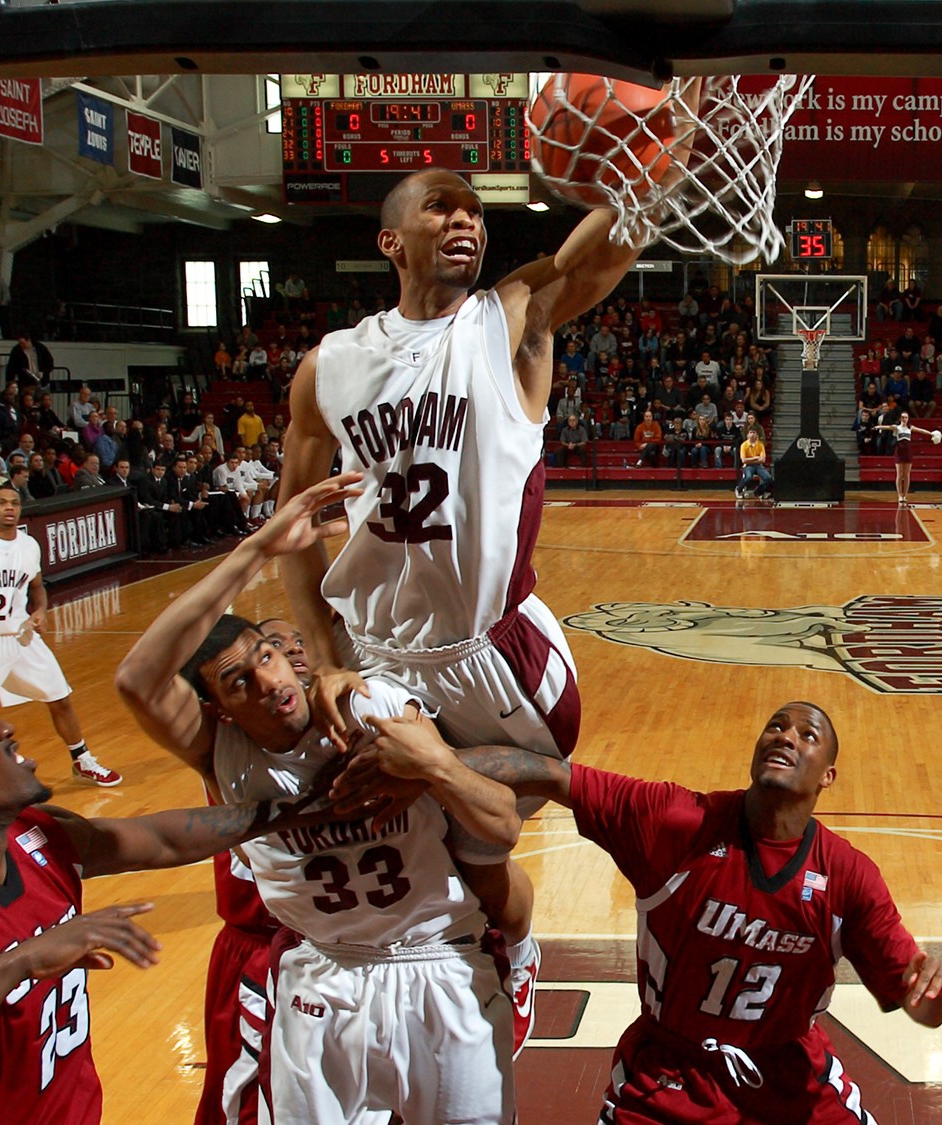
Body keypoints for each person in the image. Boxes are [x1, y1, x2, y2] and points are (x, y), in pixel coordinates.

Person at [276, 168, 657, 1040]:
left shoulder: (506, 319)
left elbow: (595, 255)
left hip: (494, 659)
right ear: (391, 241)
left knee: (482, 850)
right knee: (391, 840)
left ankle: (516, 943)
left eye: (477, 211)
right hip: (375, 654)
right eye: (442, 206)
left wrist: (656, 166)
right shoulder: (328, 367)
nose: (466, 220)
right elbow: (293, 524)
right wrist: (326, 658)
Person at [115, 477, 526, 1125]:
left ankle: (522, 960)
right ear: (218, 711)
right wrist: (256, 549)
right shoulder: (221, 751)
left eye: (268, 655)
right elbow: (136, 679)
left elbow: (502, 826)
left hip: (437, 956)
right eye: (239, 681)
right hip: (322, 972)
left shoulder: (370, 705)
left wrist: (433, 768)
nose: (268, 678)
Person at [350, 702, 942, 1124]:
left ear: (828, 774)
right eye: (776, 727)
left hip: (788, 1076)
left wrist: (933, 997)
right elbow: (549, 774)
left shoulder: (848, 875)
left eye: (807, 735)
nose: (785, 737)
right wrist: (435, 767)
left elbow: (919, 1002)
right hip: (672, 1074)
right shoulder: (678, 824)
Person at [0, 679, 344, 1125]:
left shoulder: (37, 836)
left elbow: (162, 839)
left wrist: (304, 808)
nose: (5, 728)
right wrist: (16, 964)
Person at [0, 484, 123, 787]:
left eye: (14, 503)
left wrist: (41, 610)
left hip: (22, 637)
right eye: (2, 503)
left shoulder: (29, 545)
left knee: (60, 697)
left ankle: (82, 761)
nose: (9, 508)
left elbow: (38, 587)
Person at [872, 411, 938, 504]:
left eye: (906, 417)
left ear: (908, 419)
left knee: (906, 475)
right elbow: (888, 427)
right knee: (899, 475)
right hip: (899, 451)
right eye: (902, 417)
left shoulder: (910, 427)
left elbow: (921, 430)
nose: (904, 419)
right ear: (900, 418)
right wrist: (878, 427)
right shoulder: (897, 427)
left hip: (908, 452)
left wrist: (931, 434)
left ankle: (905, 495)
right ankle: (899, 495)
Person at [736, 426, 772, 499]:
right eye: (751, 432)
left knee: (768, 478)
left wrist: (750, 459)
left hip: (758, 465)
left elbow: (763, 460)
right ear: (747, 435)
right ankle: (738, 489)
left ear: (757, 435)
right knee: (748, 477)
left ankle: (757, 492)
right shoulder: (744, 445)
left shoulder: (760, 445)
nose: (752, 434)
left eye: (754, 432)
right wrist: (756, 458)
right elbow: (743, 460)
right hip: (748, 466)